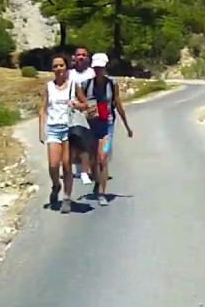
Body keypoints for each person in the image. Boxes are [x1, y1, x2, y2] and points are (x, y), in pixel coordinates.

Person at [37, 53, 87, 212]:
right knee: (53, 165)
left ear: (67, 67)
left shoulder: (73, 85)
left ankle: (67, 198)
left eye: (61, 65)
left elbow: (85, 104)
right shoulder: (49, 87)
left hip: (69, 129)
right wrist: (41, 131)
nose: (58, 69)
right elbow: (43, 109)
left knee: (67, 165)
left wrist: (76, 105)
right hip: (53, 129)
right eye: (55, 66)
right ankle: (56, 185)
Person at [82, 52, 133, 200]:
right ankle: (98, 180)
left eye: (100, 68)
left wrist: (127, 126)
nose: (98, 71)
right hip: (91, 126)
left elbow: (118, 104)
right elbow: (80, 103)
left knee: (103, 157)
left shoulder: (112, 84)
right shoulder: (86, 85)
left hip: (107, 125)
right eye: (96, 68)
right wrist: (86, 109)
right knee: (94, 158)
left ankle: (102, 193)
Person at [67, 47, 96, 186]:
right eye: (78, 55)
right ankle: (80, 169)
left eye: (84, 55)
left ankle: (95, 167)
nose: (81, 57)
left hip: (92, 108)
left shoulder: (92, 73)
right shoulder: (70, 74)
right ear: (74, 57)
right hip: (76, 110)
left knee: (93, 139)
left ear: (88, 58)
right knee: (77, 139)